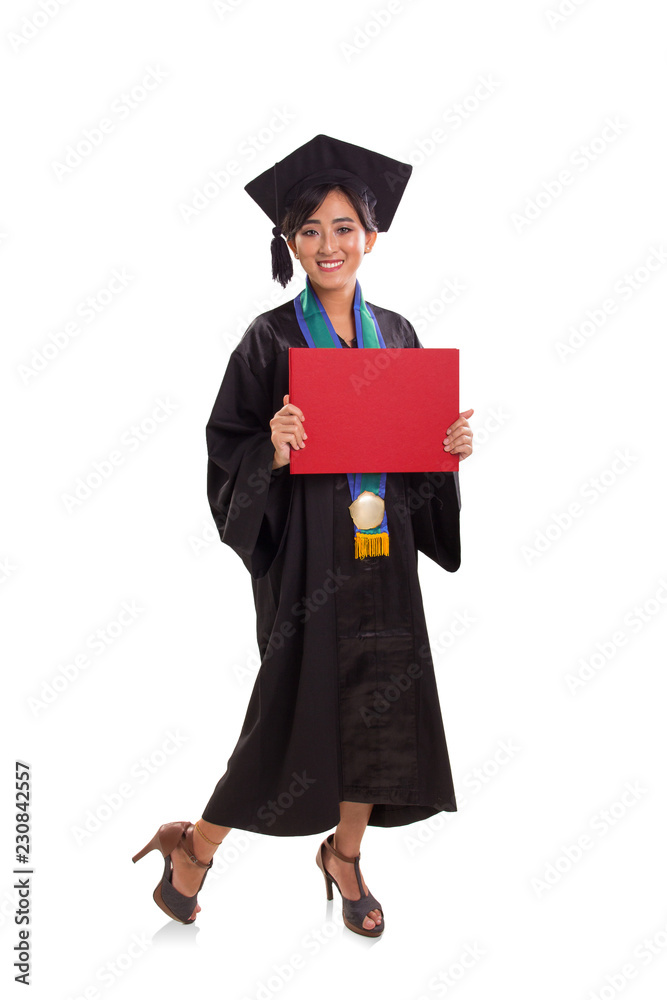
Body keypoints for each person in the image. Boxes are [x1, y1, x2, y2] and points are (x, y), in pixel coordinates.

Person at [132, 134, 474, 937]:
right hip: (306, 554)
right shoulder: (269, 338)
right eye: (309, 230)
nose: (328, 245)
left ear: (371, 237)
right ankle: (195, 844)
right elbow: (227, 446)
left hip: (381, 549)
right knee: (291, 704)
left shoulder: (398, 332)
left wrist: (445, 450)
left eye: (344, 227)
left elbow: (411, 449)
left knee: (379, 702)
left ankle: (343, 855)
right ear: (287, 241)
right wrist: (273, 450)